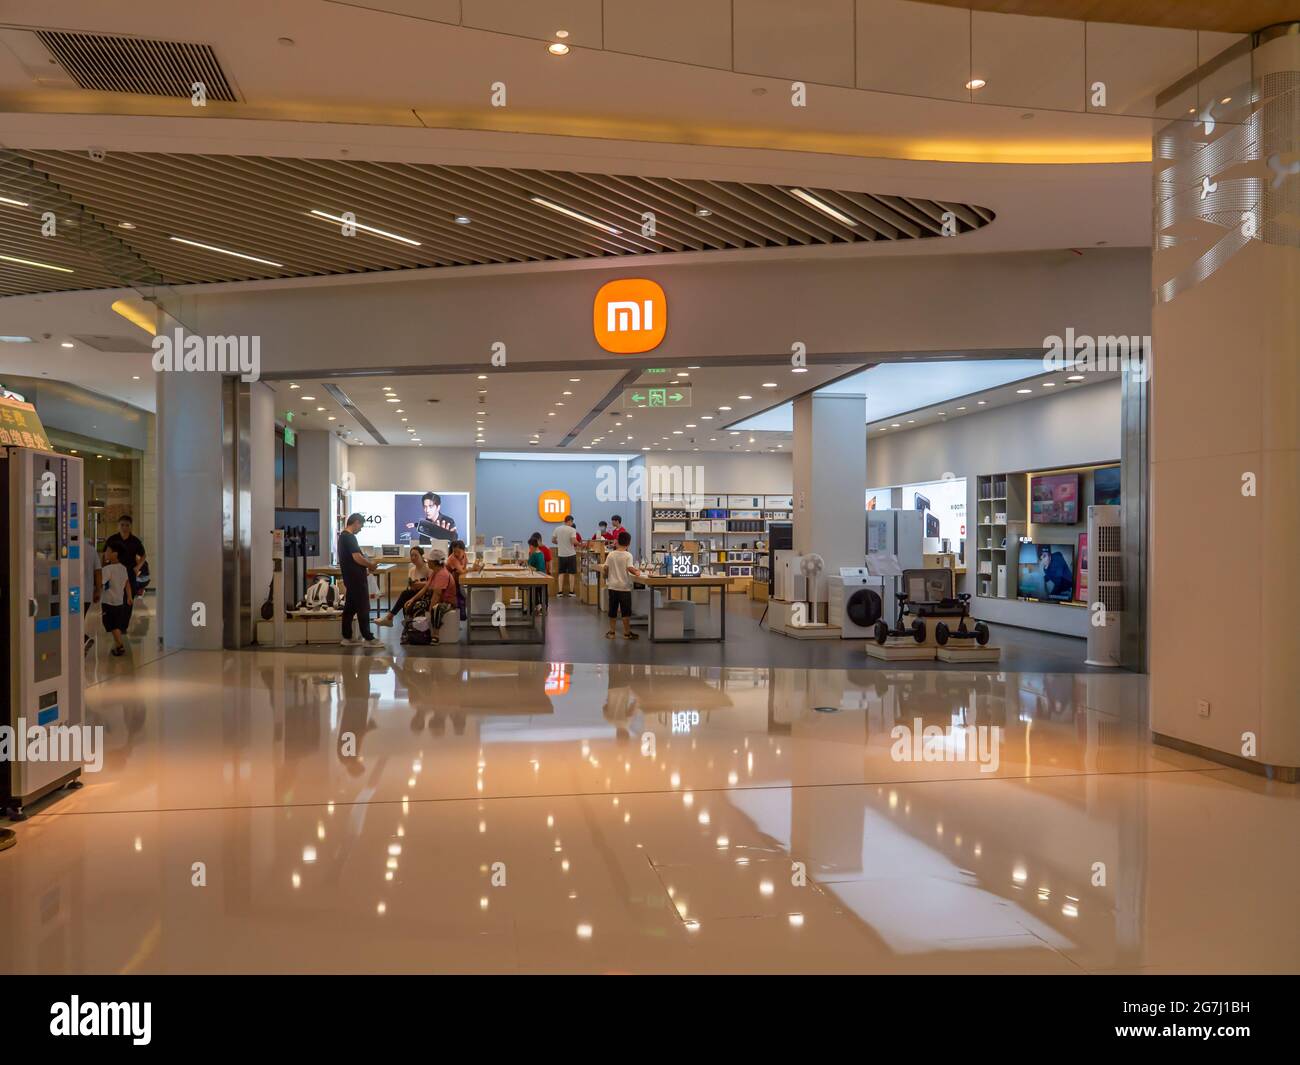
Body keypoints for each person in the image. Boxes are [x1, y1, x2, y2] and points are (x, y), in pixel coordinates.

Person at [338, 512, 383, 646]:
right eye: (361, 526)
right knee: (363, 607)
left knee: (350, 608)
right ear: (356, 522)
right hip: (356, 579)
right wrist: (370, 565)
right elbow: (357, 557)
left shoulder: (342, 537)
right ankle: (368, 638)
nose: (361, 529)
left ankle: (347, 637)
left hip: (350, 578)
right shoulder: (350, 538)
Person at [375, 546, 430, 627]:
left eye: (416, 555)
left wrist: (420, 584)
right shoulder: (412, 570)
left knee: (405, 594)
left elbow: (433, 584)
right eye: (412, 555)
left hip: (426, 593)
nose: (413, 558)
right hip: (415, 592)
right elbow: (411, 586)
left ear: (422, 556)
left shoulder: (428, 568)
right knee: (405, 598)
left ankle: (389, 617)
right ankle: (404, 624)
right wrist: (414, 585)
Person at [602, 529, 641, 640]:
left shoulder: (610, 554)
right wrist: (637, 572)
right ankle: (626, 633)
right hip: (624, 587)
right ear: (628, 543)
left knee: (612, 610)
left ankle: (612, 632)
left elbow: (605, 568)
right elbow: (629, 568)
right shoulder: (628, 555)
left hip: (612, 586)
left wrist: (606, 576)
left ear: (617, 542)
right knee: (625, 611)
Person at [100, 543, 133, 656]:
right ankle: (118, 645)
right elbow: (127, 583)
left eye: (108, 551)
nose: (105, 553)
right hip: (119, 601)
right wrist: (129, 597)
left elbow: (101, 583)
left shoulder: (107, 569)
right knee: (116, 624)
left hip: (108, 601)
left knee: (111, 625)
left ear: (115, 554)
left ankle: (120, 646)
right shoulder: (123, 568)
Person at [104, 515, 147, 599]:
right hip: (114, 572)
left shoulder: (135, 541)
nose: (124, 527)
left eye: (127, 525)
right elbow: (105, 555)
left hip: (129, 572)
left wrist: (138, 567)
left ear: (130, 526)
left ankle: (127, 612)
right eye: (122, 525)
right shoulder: (112, 539)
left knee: (129, 598)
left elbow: (144, 555)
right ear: (118, 526)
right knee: (114, 597)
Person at [552, 514, 582, 597]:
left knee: (561, 573)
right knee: (571, 574)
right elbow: (573, 541)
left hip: (561, 554)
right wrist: (580, 544)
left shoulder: (557, 529)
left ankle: (560, 592)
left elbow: (553, 540)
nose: (572, 523)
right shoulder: (572, 530)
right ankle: (571, 592)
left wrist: (560, 543)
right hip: (571, 554)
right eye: (572, 522)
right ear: (570, 521)